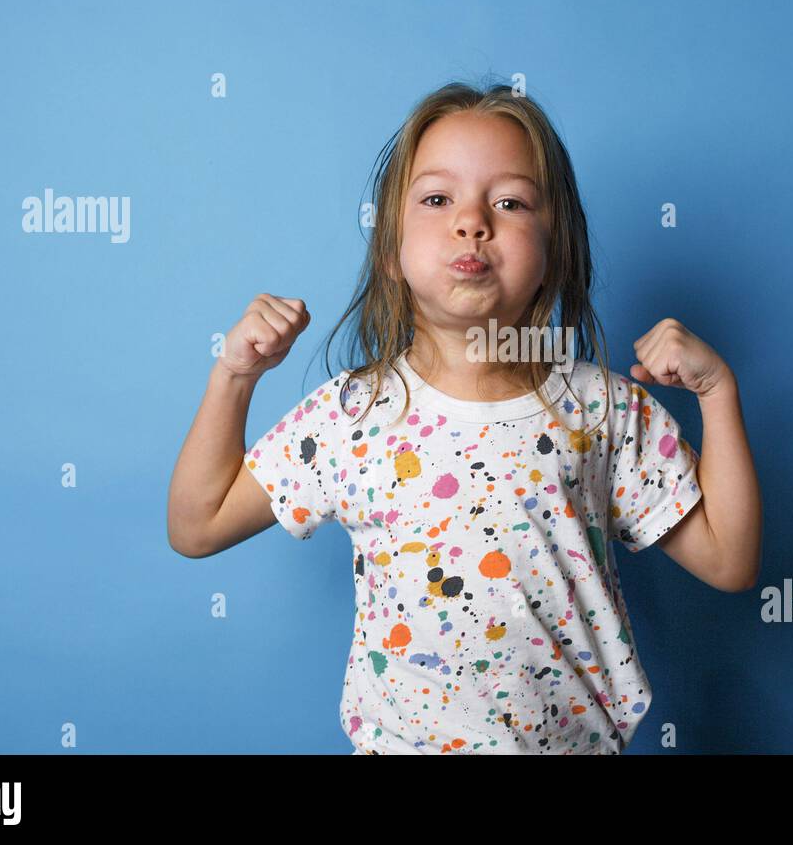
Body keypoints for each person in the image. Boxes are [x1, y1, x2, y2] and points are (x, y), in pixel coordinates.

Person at [167, 80, 762, 754]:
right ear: (391, 251)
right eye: (437, 198)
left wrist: (718, 394)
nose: (472, 220)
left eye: (509, 201)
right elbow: (197, 525)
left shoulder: (603, 409)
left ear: (553, 249)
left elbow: (730, 559)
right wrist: (234, 376)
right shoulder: (351, 415)